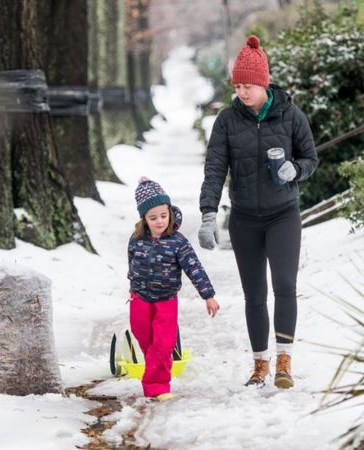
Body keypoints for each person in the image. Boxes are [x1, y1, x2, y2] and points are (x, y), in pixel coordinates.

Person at [198, 35, 318, 389]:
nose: (242, 93)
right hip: (245, 218)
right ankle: (259, 364)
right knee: (254, 294)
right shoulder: (227, 121)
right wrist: (207, 213)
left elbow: (310, 158)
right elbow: (215, 169)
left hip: (283, 214)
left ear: (264, 84)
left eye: (247, 85)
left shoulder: (292, 116)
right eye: (237, 86)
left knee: (284, 284)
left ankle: (284, 360)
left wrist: (295, 171)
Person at [128, 177, 220, 401]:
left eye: (163, 215)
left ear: (169, 212)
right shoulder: (136, 239)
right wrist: (132, 285)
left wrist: (208, 295)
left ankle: (157, 387)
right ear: (144, 218)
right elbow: (131, 263)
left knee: (162, 343)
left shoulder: (178, 242)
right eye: (153, 217)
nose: (159, 221)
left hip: (166, 300)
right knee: (144, 337)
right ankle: (159, 365)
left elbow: (194, 268)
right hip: (139, 298)